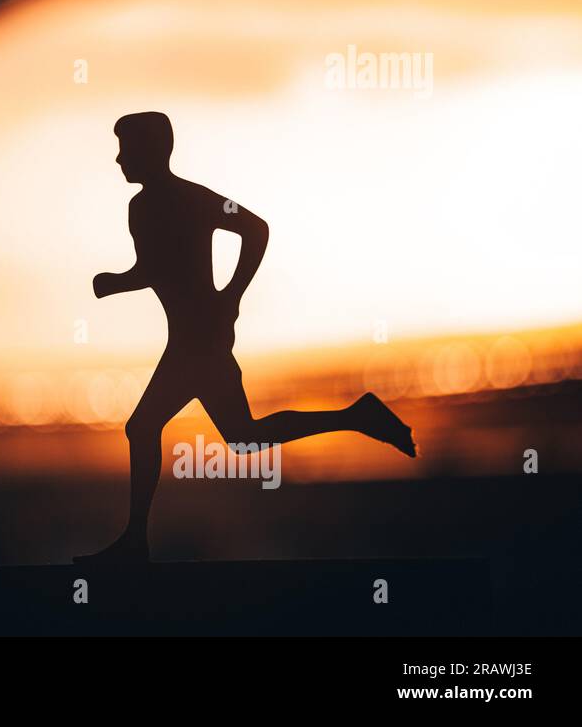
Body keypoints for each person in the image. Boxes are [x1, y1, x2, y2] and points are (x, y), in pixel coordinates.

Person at [76, 112, 416, 563]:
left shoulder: (195, 199)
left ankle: (136, 541)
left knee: (144, 427)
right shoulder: (140, 208)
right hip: (190, 339)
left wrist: (231, 295)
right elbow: (158, 267)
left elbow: (255, 229)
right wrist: (119, 281)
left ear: (153, 151)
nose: (118, 159)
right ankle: (357, 416)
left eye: (126, 149)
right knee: (241, 436)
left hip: (202, 340)